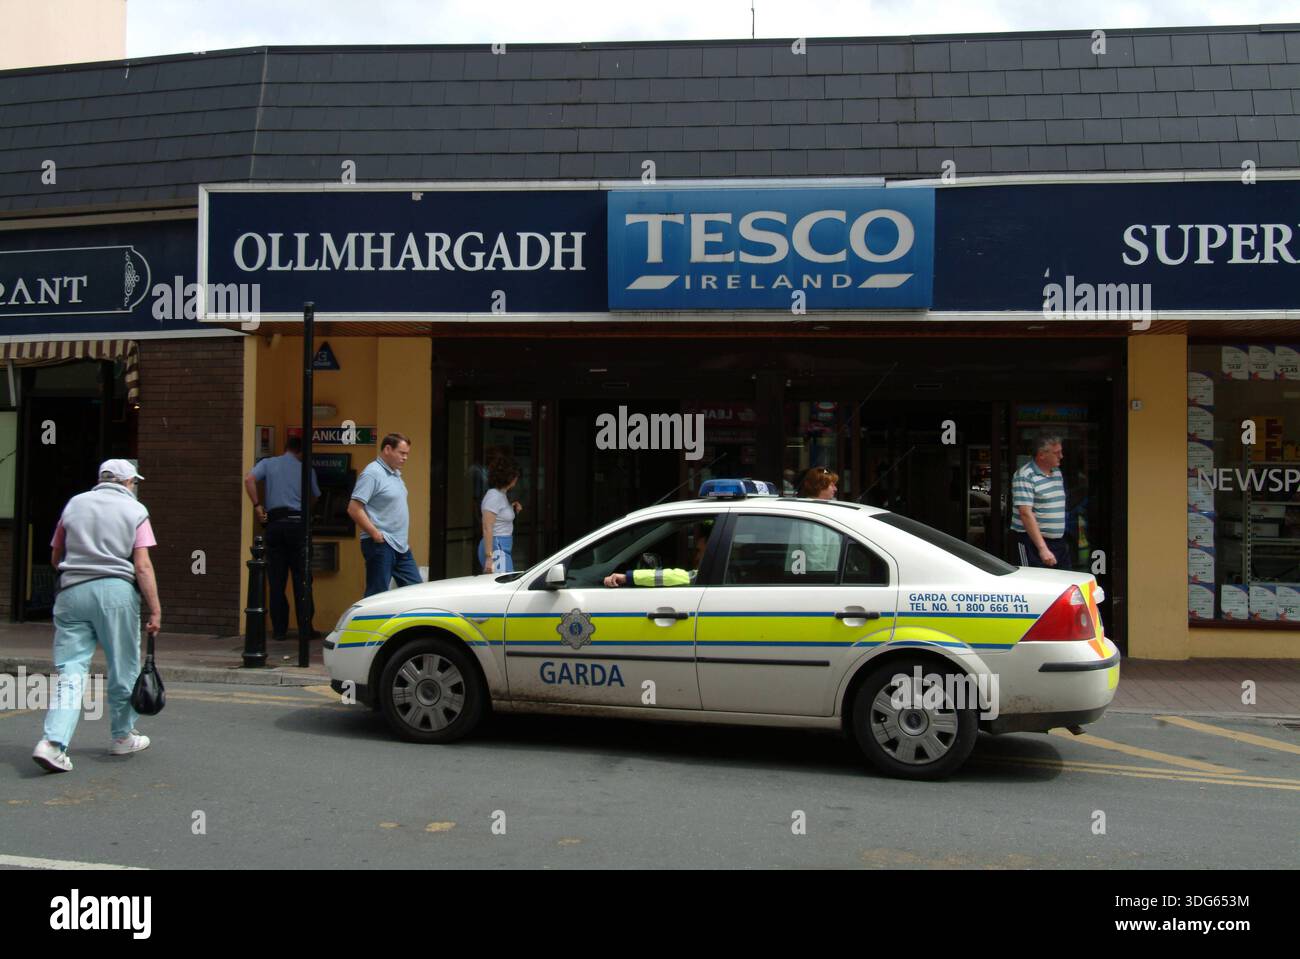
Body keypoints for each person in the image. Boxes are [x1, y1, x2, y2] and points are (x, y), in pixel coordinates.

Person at [32, 459, 161, 774]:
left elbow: (55, 555)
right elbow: (142, 565)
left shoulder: (75, 504)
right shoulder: (136, 511)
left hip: (71, 593)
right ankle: (121, 736)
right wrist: (155, 607)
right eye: (134, 482)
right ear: (128, 483)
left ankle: (52, 744)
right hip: (115, 593)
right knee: (124, 666)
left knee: (71, 671)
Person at [244, 436, 321, 640]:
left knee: (276, 581)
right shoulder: (307, 469)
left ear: (285, 448)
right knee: (302, 579)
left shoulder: (268, 464)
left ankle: (279, 630)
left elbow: (248, 479)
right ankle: (306, 628)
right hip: (298, 526)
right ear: (301, 452)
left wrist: (257, 505)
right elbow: (316, 496)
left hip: (275, 525)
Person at [348, 432, 420, 597]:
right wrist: (375, 534)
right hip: (381, 544)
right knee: (377, 595)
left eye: (407, 454)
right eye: (402, 453)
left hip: (400, 545)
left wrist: (403, 540)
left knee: (416, 591)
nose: (405, 458)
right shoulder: (372, 473)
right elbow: (354, 508)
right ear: (388, 449)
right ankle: (366, 624)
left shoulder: (395, 474)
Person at [1011, 433, 1070, 569]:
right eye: (1057, 453)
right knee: (1033, 582)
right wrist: (1042, 548)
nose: (1061, 456)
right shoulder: (1025, 475)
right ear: (1041, 454)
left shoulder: (1057, 473)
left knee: (1063, 583)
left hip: (1058, 542)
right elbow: (1025, 513)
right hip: (1032, 543)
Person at [604, 523, 710, 587]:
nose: (696, 557)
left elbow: (673, 577)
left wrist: (627, 577)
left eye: (699, 551)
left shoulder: (707, 577)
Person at [479, 458, 522, 575]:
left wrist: (512, 507)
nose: (517, 479)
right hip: (496, 545)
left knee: (501, 583)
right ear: (509, 477)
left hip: (501, 545)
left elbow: (499, 516)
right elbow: (487, 527)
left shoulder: (501, 494)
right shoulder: (494, 496)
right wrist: (489, 557)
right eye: (515, 476)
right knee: (504, 583)